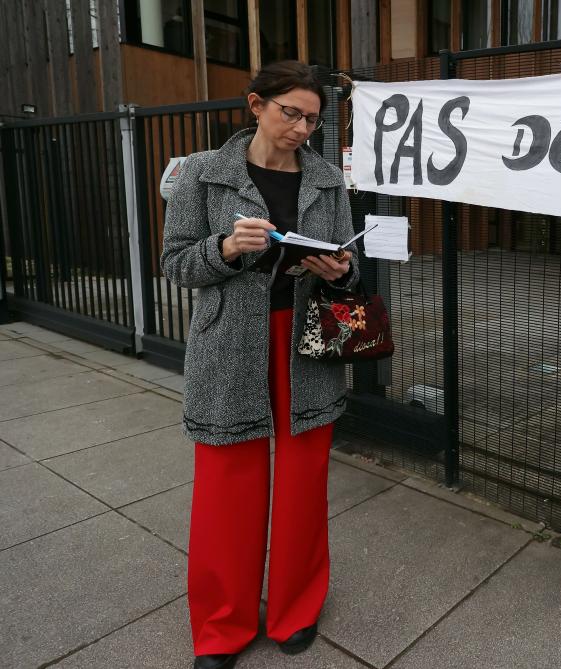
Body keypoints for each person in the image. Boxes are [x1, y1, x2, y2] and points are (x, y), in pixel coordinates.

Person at [160, 60, 359, 669]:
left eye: (312, 119)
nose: (301, 127)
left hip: (307, 343)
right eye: (289, 113)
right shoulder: (204, 173)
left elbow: (351, 264)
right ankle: (222, 628)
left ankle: (296, 608)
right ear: (256, 105)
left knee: (304, 479)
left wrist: (340, 270)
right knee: (227, 485)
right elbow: (174, 263)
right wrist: (223, 249)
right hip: (229, 343)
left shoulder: (327, 181)